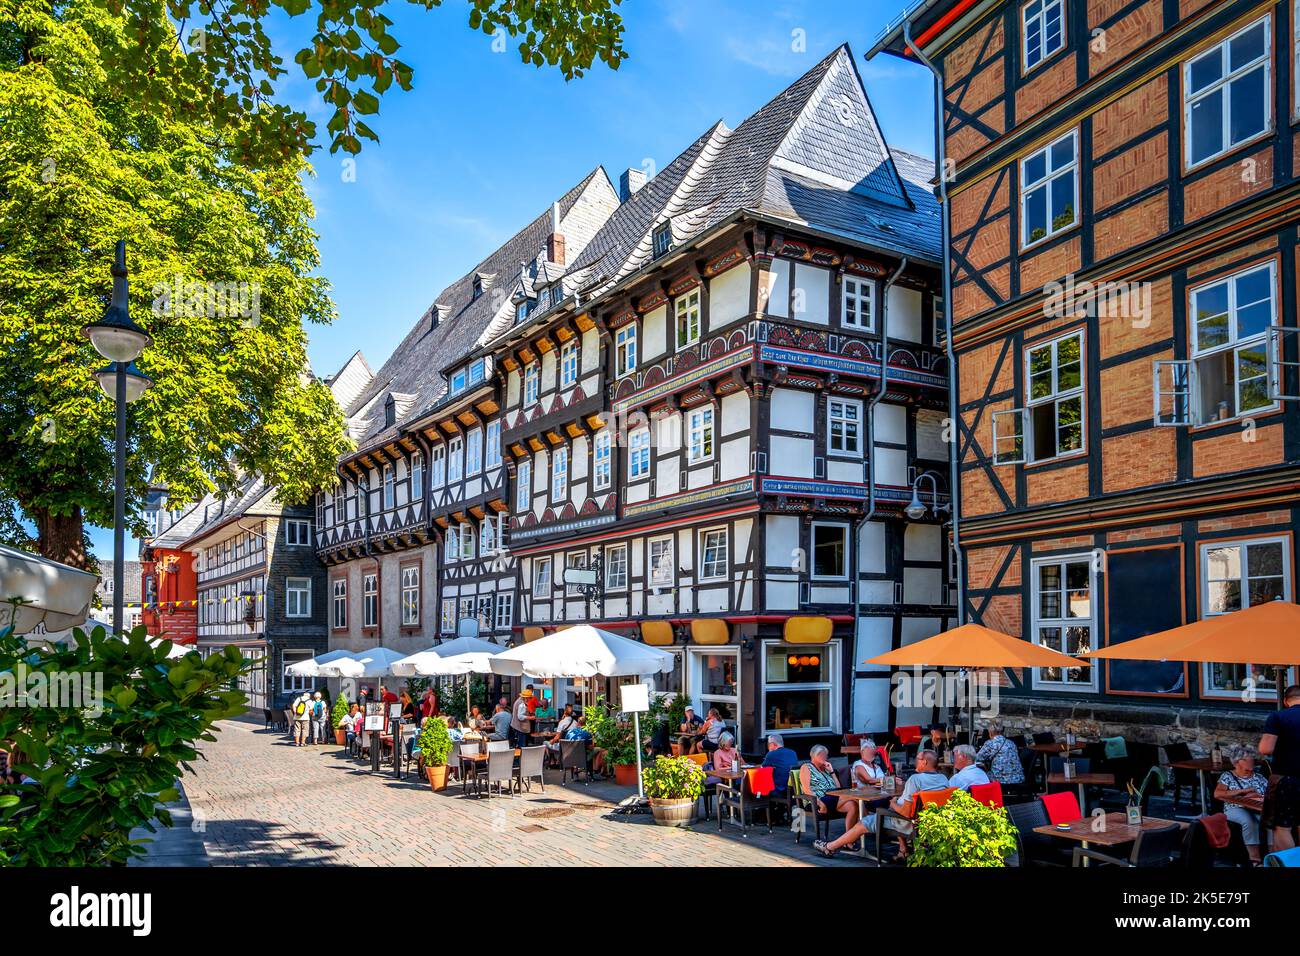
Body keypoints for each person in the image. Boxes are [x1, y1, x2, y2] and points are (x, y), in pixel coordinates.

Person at [816, 750, 949, 860]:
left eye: (918, 758)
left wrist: (894, 803)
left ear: (924, 762)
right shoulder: (943, 778)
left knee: (864, 823)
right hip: (927, 822)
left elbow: (905, 813)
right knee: (891, 808)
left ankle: (830, 847)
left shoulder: (915, 779)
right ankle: (903, 850)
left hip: (907, 823)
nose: (915, 760)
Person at [1259, 684, 1300, 853]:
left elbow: (1265, 749)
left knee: (1282, 827)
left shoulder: (1278, 717)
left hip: (1286, 779)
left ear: (1285, 701)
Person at [1214, 745, 1270, 865]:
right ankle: (1255, 859)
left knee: (1269, 821)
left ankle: (1271, 857)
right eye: (1248, 759)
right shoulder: (1228, 776)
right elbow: (1217, 794)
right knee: (1249, 820)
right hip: (1234, 808)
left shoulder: (1259, 777)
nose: (1251, 761)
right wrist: (1242, 792)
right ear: (1237, 762)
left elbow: (1269, 795)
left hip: (1256, 807)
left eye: (1252, 759)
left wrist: (1257, 795)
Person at [799, 744, 861, 834]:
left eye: (825, 755)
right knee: (856, 799)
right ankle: (864, 825)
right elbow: (807, 790)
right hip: (816, 801)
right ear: (812, 755)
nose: (824, 757)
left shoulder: (826, 769)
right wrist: (820, 803)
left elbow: (838, 788)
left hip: (834, 799)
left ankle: (849, 840)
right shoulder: (807, 767)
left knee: (853, 806)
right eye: (820, 754)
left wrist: (832, 772)